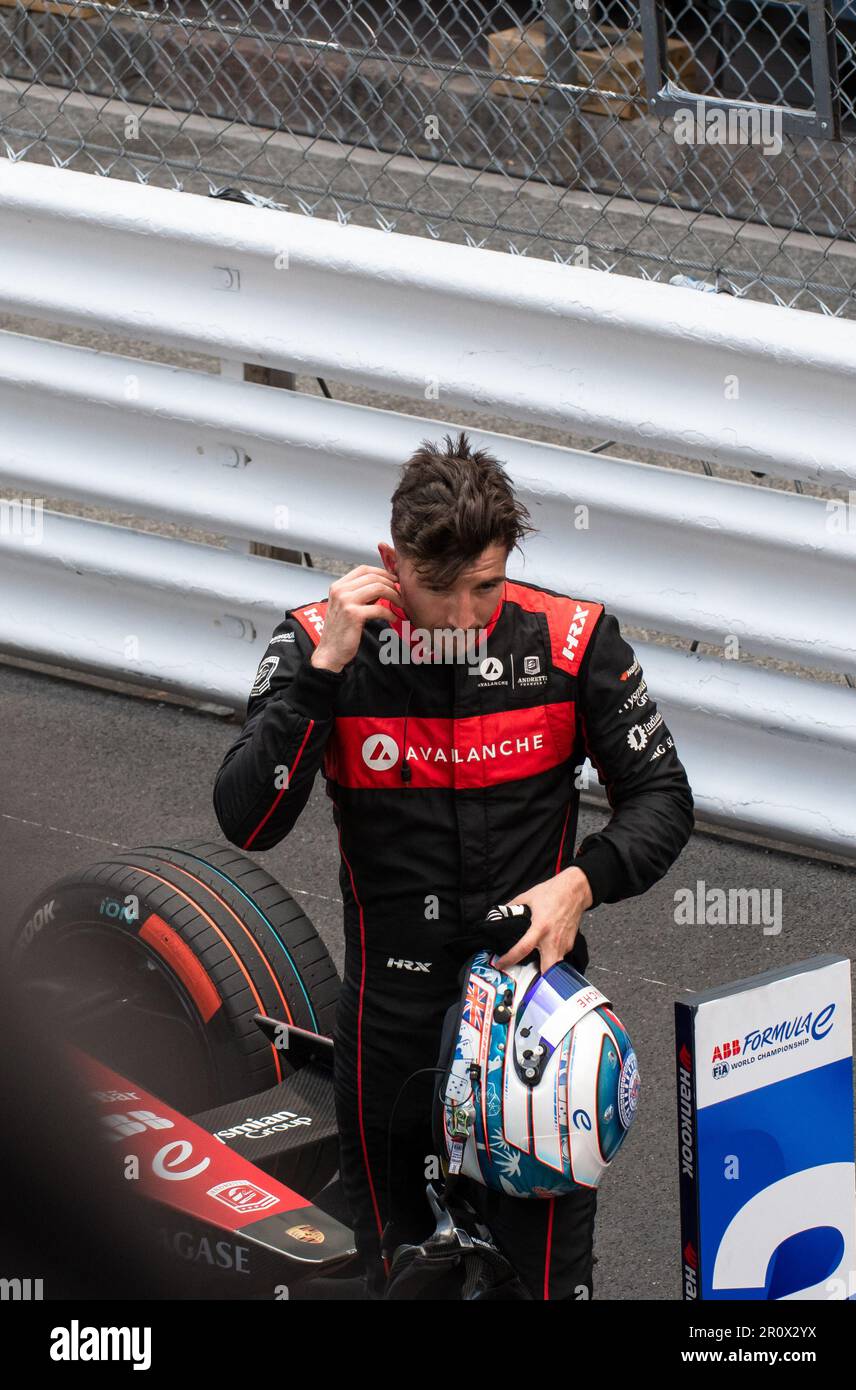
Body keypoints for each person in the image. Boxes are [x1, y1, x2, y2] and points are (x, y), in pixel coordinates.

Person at [212, 431, 694, 1299]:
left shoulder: (574, 640)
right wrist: (321, 682)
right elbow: (245, 821)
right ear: (390, 564)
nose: (468, 618)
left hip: (533, 1033)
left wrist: (581, 882)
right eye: (443, 591)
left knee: (538, 1289)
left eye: (487, 586)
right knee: (406, 1281)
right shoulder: (319, 644)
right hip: (391, 1035)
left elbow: (664, 797)